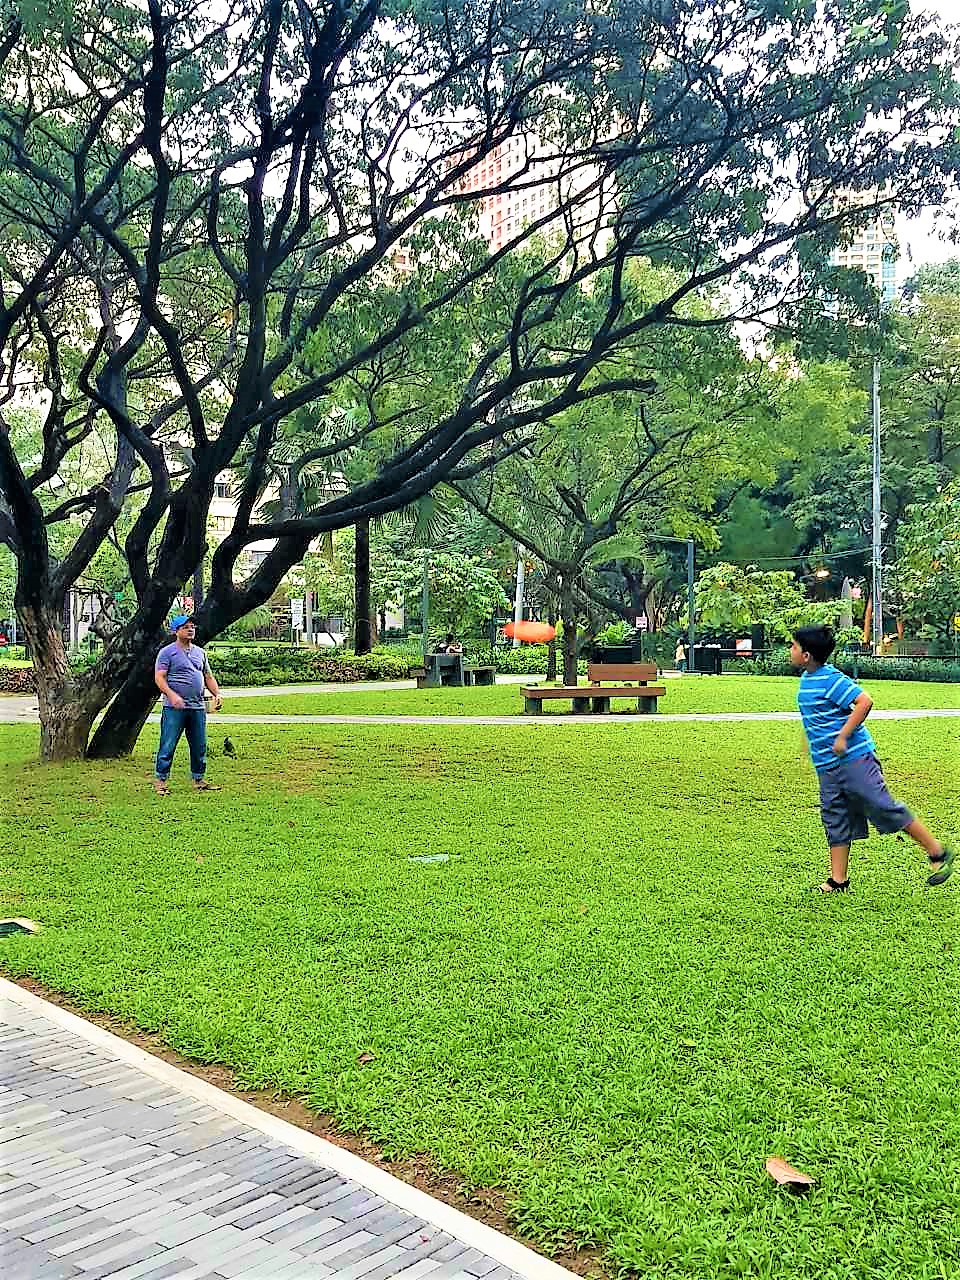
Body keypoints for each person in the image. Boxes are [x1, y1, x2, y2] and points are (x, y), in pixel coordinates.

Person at [790, 625, 953, 893]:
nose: (790, 651)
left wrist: (843, 736)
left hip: (854, 759)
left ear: (806, 655)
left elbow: (865, 701)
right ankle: (838, 880)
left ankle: (937, 852)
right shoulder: (807, 680)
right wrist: (809, 742)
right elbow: (817, 718)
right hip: (826, 765)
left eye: (794, 646)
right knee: (834, 816)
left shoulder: (832, 679)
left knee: (882, 804)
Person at [153, 614, 222, 795]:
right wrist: (171, 695)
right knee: (168, 744)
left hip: (197, 707)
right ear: (176, 631)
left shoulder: (200, 652)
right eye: (186, 627)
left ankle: (199, 778)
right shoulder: (167, 653)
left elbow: (208, 676)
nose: (191, 629)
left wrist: (217, 694)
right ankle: (161, 780)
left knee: (199, 744)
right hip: (173, 708)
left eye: (192, 626)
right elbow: (159, 678)